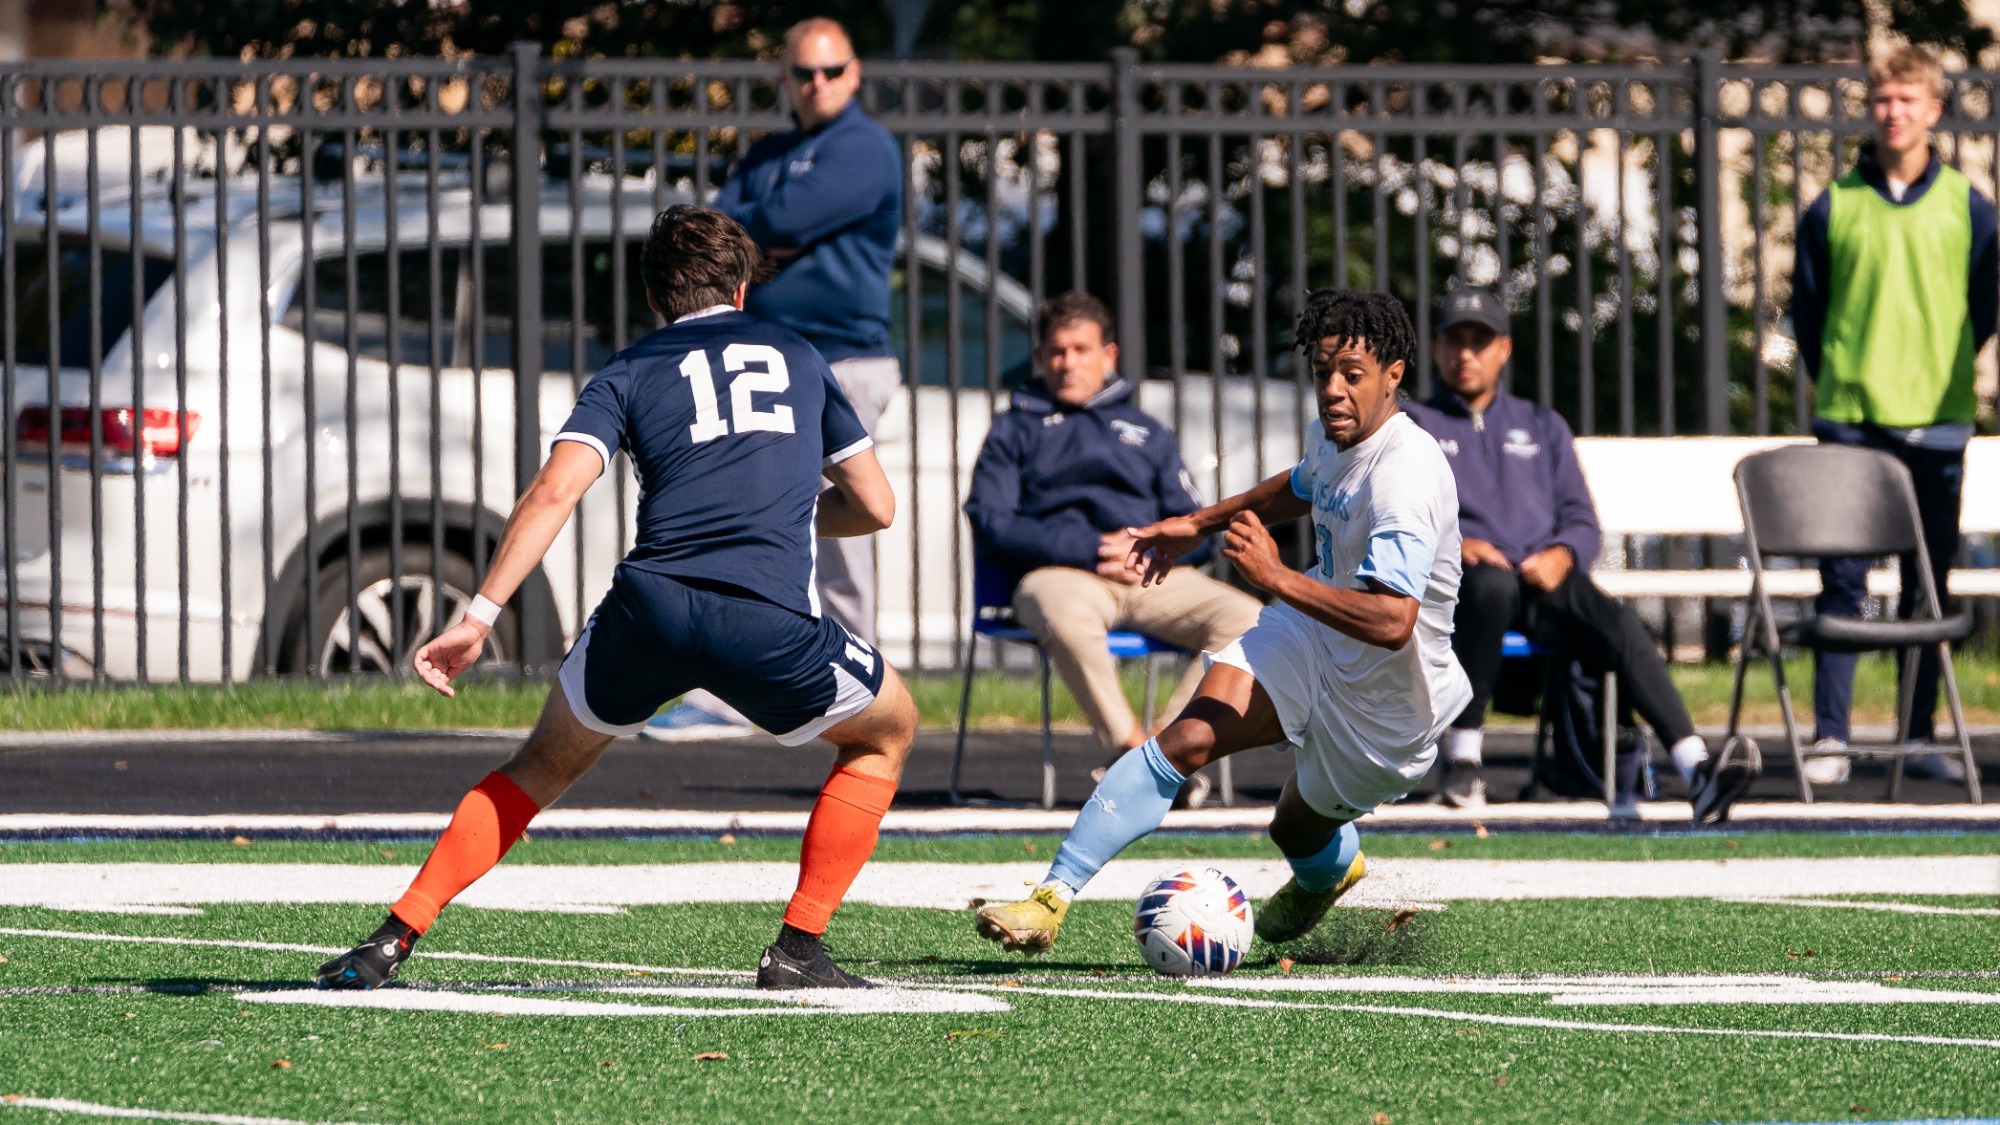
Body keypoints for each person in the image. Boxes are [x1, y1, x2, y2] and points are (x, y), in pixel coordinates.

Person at [315, 206, 917, 992]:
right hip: (762, 618)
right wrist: (783, 508)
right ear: (741, 286)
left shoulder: (629, 368)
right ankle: (798, 947)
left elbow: (553, 489)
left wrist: (479, 616)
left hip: (651, 607)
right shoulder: (799, 355)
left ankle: (395, 935)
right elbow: (875, 505)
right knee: (889, 728)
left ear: (654, 296)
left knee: (537, 766)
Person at [974, 290, 1468, 954]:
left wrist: (1276, 578)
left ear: (1395, 373)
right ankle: (1049, 899)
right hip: (1311, 634)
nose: (1333, 391)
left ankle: (1332, 867)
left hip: (1389, 704)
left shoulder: (1405, 478)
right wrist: (1194, 524)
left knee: (1293, 830)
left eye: (1352, 374)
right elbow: (1298, 485)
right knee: (1188, 739)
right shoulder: (1336, 432)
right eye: (1323, 372)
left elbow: (1392, 620)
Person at [647, 17, 904, 742]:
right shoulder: (769, 150)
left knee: (844, 517)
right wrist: (757, 228)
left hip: (842, 358)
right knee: (753, 509)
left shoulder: (865, 148)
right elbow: (730, 232)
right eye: (802, 72)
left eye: (830, 71)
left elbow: (775, 220)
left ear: (854, 74)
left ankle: (854, 682)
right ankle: (737, 688)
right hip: (764, 354)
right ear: (784, 78)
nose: (815, 84)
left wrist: (757, 225)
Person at [1405, 288, 1751, 822]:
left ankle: (1696, 769)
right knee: (1490, 586)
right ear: (1435, 348)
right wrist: (1457, 546)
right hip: (1465, 585)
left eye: (1479, 342)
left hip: (1544, 577)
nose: (1465, 354)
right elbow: (1402, 515)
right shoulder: (1416, 425)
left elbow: (1582, 520)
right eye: (1454, 341)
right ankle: (1464, 760)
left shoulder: (1543, 425)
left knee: (1618, 623)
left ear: (1504, 349)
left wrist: (1564, 554)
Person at [963, 292, 1264, 806]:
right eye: (1057, 352)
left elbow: (1195, 524)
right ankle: (1132, 752)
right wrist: (1089, 547)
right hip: (1060, 575)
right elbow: (991, 521)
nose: (1068, 363)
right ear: (1040, 359)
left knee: (1254, 621)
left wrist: (1149, 552)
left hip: (1152, 572)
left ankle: (1169, 752)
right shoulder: (1013, 428)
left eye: (1081, 350)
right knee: (1059, 609)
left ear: (1110, 356)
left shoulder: (1148, 432)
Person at [1792, 45, 1997, 787]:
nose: (1894, 112)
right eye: (1883, 100)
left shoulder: (1968, 207)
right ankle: (1832, 737)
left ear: (1933, 110)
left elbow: (1984, 304)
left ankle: (1917, 737)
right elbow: (1807, 313)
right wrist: (1847, 375)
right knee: (1842, 581)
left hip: (1938, 423)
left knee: (1929, 585)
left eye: (1908, 100)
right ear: (1870, 109)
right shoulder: (1835, 204)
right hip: (1850, 418)